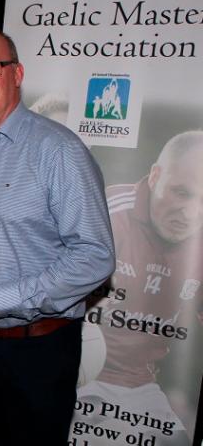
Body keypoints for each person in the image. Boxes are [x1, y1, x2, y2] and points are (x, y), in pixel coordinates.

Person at [0, 27, 115, 446]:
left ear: (17, 74)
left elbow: (95, 256)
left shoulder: (59, 151)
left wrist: (2, 298)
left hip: (39, 354)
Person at [75, 130, 203, 445]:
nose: (190, 213)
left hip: (140, 390)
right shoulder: (108, 213)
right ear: (155, 176)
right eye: (181, 193)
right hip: (75, 378)